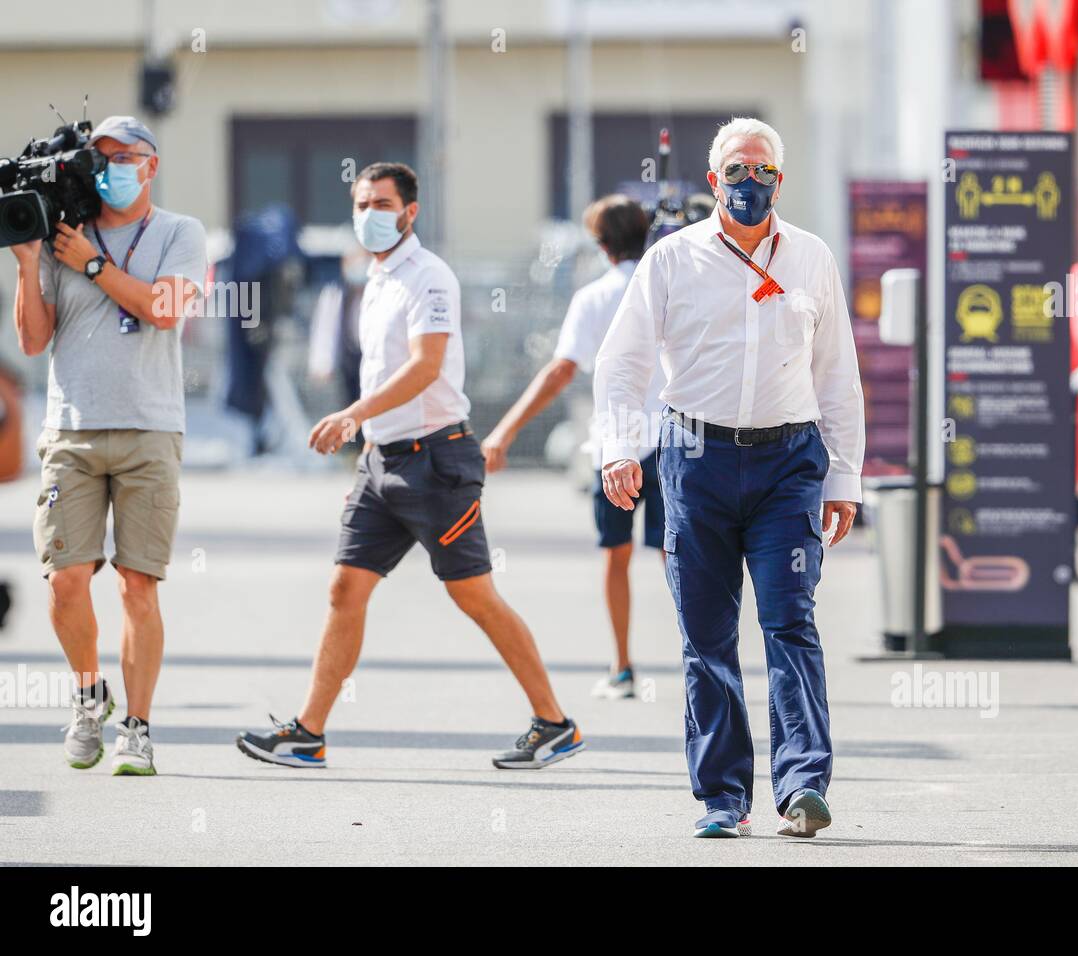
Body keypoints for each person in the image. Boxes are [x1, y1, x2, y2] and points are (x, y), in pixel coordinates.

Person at [236, 162, 583, 770]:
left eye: (382, 203)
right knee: (345, 588)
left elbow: (426, 367)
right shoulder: (373, 278)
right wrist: (368, 437)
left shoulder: (430, 278)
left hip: (436, 461)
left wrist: (353, 413)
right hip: (381, 462)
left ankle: (554, 723)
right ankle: (308, 733)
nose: (369, 214)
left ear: (410, 211)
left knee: (474, 596)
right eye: (361, 202)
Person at [594, 118, 865, 838]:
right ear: (713, 182)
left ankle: (804, 783)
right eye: (737, 172)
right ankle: (723, 797)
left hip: (790, 465)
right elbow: (622, 363)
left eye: (764, 170)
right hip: (695, 461)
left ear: (782, 178)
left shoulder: (810, 258)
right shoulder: (672, 260)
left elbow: (837, 374)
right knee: (707, 636)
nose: (752, 183)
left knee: (789, 621)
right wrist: (621, 448)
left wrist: (845, 477)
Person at [9, 115, 207, 775]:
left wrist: (91, 264)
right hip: (71, 429)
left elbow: (167, 307)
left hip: (150, 427)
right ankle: (89, 694)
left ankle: (139, 729)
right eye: (104, 157)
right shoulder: (65, 234)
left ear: (151, 166)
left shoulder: (181, 232)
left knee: (136, 587)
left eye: (127, 156)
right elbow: (34, 343)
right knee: (65, 582)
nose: (113, 166)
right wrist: (30, 262)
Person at [482, 194, 664, 699]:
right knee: (679, 556)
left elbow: (561, 369)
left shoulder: (595, 298)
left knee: (616, 556)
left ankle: (623, 666)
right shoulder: (666, 288)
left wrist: (505, 430)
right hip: (673, 442)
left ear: (602, 246)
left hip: (615, 446)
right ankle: (704, 662)